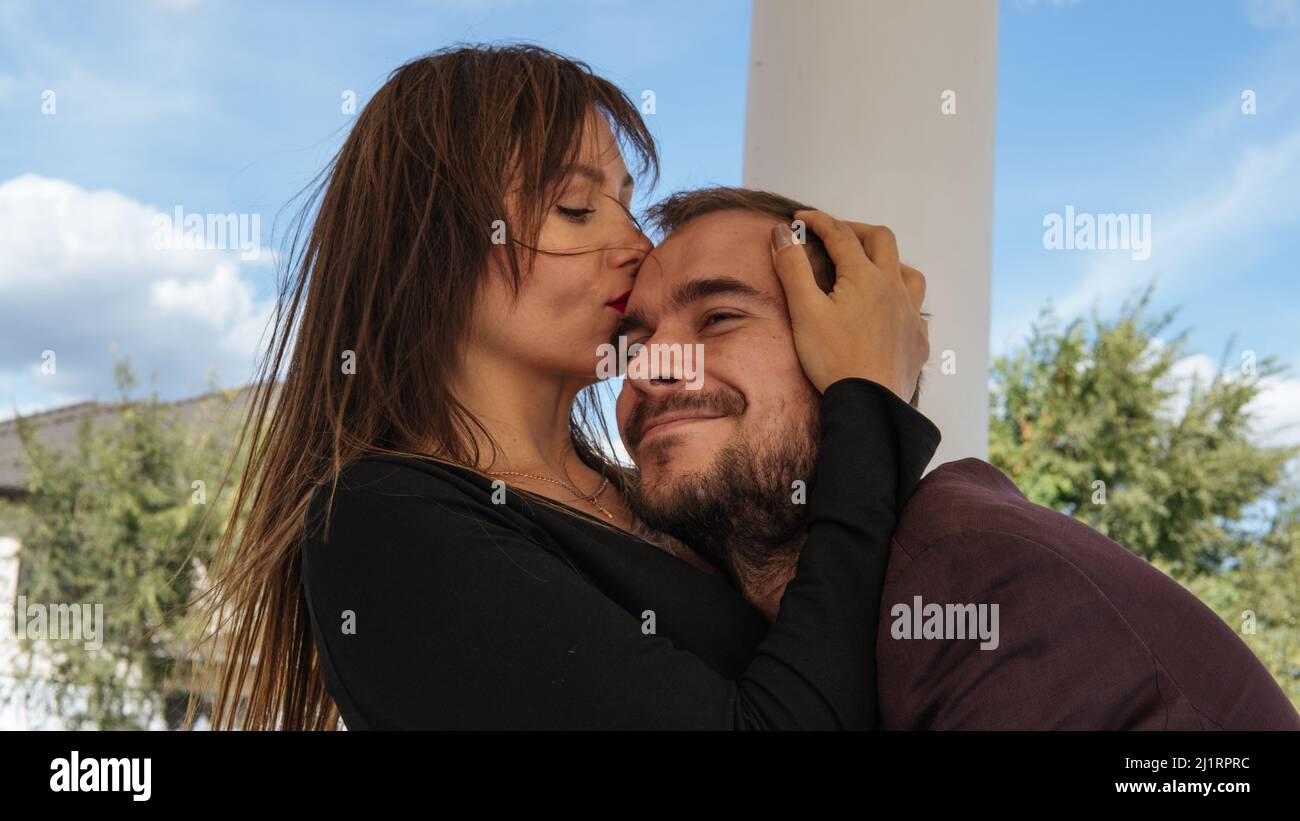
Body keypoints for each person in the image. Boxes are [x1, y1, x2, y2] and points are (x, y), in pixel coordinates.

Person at [187, 45, 935, 730]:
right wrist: (868, 400)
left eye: (626, 204)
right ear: (434, 246)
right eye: (577, 208)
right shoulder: (386, 519)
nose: (637, 246)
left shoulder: (649, 492)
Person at [617, 185, 1300, 730]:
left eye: (719, 318)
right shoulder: (765, 629)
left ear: (850, 345)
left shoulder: (970, 567)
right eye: (633, 338)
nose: (649, 367)